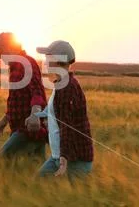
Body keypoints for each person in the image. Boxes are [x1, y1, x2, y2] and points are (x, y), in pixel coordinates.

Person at [35, 40, 94, 177]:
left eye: (48, 58)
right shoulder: (61, 84)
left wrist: (63, 161)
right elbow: (56, 112)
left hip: (73, 160)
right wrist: (37, 115)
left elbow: (67, 126)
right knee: (37, 185)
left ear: (57, 61)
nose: (45, 62)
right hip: (58, 157)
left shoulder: (68, 88)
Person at [0, 32, 48, 159]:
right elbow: (18, 100)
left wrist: (34, 115)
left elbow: (37, 93)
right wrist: (4, 121)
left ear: (9, 48)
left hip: (27, 129)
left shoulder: (26, 63)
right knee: (37, 173)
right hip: (24, 129)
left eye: (0, 52)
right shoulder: (15, 67)